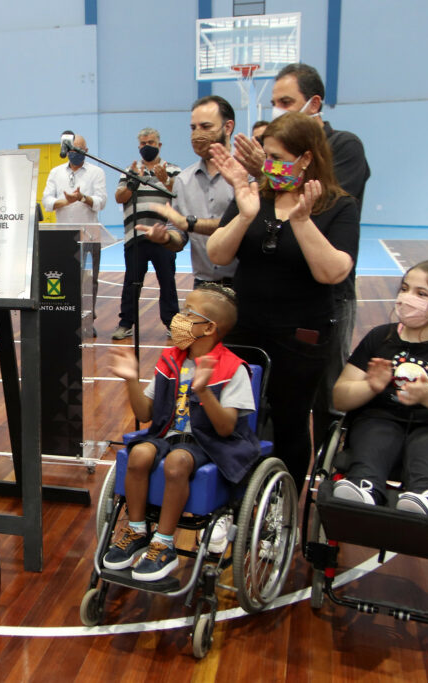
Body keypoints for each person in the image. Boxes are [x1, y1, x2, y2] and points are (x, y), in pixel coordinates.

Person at [206, 112, 360, 492]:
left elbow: (333, 272)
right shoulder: (254, 193)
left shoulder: (337, 206)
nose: (269, 165)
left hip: (301, 335)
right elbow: (218, 254)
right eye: (266, 155)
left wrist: (303, 221)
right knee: (236, 413)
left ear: (306, 159)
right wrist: (244, 215)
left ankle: (283, 497)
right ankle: (234, 491)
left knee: (291, 420)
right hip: (246, 327)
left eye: (278, 157)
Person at [237, 63, 371, 445]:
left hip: (323, 296)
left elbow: (321, 198)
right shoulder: (271, 174)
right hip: (265, 303)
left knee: (323, 393)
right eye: (275, 102)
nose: (278, 108)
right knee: (261, 401)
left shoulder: (344, 146)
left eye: (286, 101)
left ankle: (324, 474)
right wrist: (266, 174)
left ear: (314, 103)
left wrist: (266, 170)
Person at [102, 285, 259, 581]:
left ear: (209, 327)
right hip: (167, 436)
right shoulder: (170, 360)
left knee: (177, 463)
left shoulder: (232, 369)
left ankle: (164, 542)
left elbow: (226, 428)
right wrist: (131, 379)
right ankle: (136, 531)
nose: (179, 318)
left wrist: (203, 391)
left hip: (210, 443)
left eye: (188, 313)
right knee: (139, 453)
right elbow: (144, 414)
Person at [331, 260, 428, 514]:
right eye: (404, 289)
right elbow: (340, 398)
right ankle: (365, 486)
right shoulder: (380, 337)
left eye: (421, 294)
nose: (406, 298)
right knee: (375, 433)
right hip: (382, 419)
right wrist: (370, 387)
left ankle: (423, 495)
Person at [150, 96, 237, 289]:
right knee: (184, 321)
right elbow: (178, 235)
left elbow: (241, 226)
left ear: (228, 127)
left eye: (205, 127)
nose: (197, 134)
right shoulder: (184, 180)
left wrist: (189, 223)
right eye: (193, 128)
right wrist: (165, 238)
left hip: (244, 285)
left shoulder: (247, 174)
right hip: (203, 285)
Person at [111, 127, 182, 340]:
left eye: (151, 142)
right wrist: (133, 182)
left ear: (159, 145)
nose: (147, 147)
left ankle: (172, 323)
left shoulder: (174, 170)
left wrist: (167, 181)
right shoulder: (130, 170)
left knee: (167, 281)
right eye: (143, 143)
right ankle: (126, 323)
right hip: (136, 237)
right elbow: (119, 197)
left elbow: (180, 196)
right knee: (131, 283)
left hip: (164, 236)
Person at [42, 133, 107, 326]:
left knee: (89, 282)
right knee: (65, 279)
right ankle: (66, 317)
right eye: (71, 149)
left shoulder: (97, 172)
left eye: (79, 150)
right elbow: (46, 201)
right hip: (61, 236)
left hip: (90, 234)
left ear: (86, 151)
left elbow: (101, 202)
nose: (75, 153)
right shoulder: (56, 172)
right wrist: (65, 201)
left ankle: (87, 322)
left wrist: (82, 198)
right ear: (66, 151)